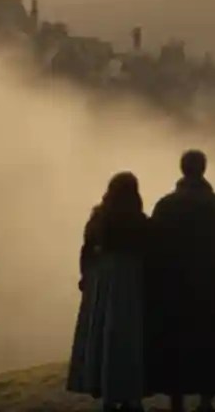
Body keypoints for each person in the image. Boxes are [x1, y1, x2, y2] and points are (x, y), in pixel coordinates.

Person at [147, 150, 215, 412]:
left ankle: (176, 400)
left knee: (175, 344)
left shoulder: (166, 206)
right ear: (203, 169)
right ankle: (205, 400)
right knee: (208, 344)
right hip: (210, 289)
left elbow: (153, 251)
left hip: (173, 290)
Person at [68, 172, 150, 411]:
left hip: (103, 283)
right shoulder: (140, 221)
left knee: (104, 338)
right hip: (132, 284)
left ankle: (108, 395)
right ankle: (131, 397)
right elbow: (150, 252)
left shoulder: (99, 218)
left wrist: (86, 277)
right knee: (130, 339)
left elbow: (87, 250)